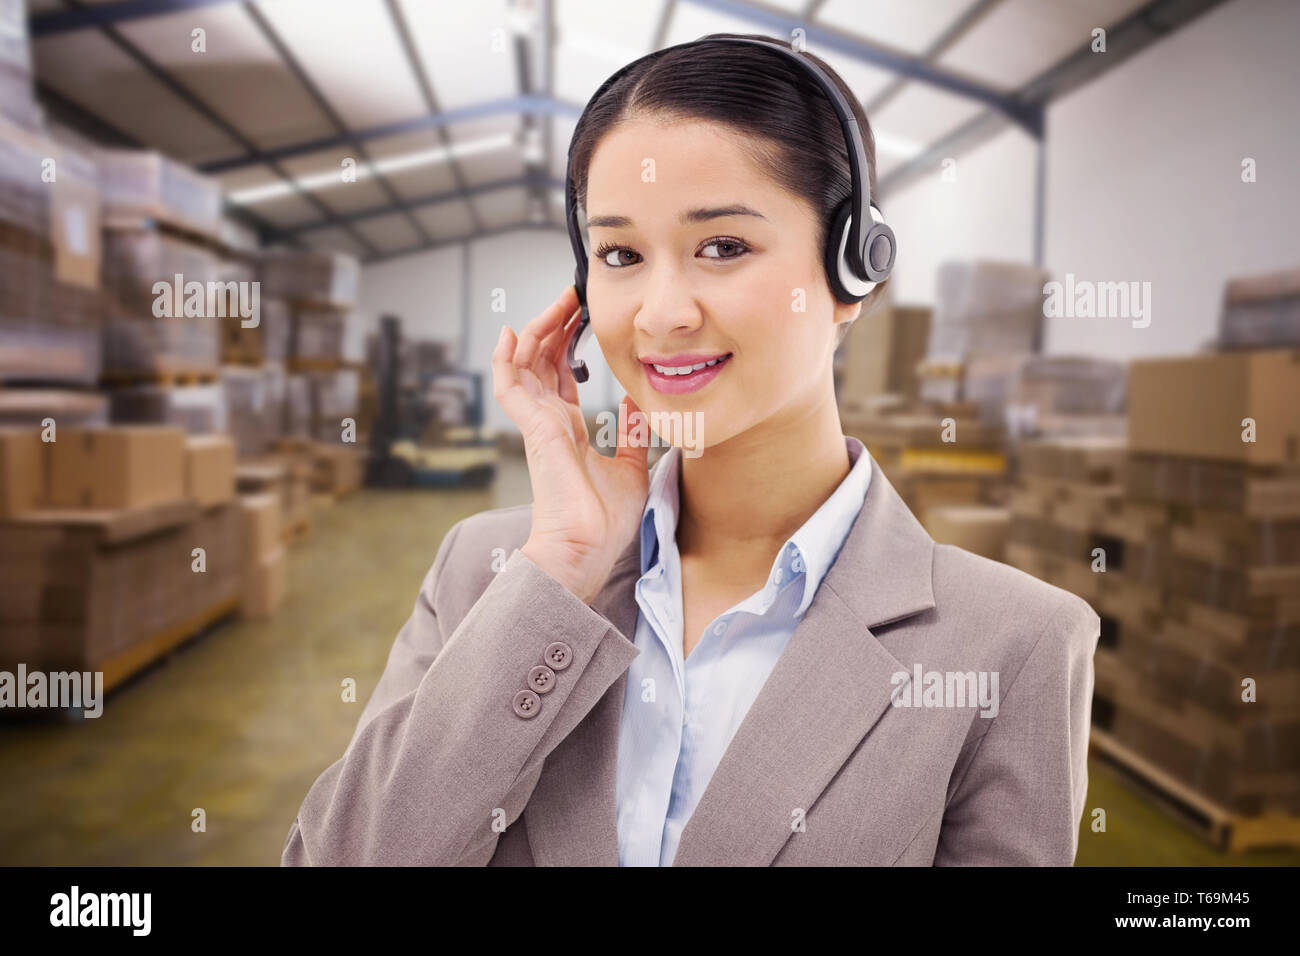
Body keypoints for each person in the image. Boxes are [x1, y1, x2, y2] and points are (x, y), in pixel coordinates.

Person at [282, 33, 1100, 867]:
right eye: (620, 255)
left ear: (855, 267)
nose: (661, 313)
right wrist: (564, 569)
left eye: (723, 247)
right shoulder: (488, 573)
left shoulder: (1015, 644)